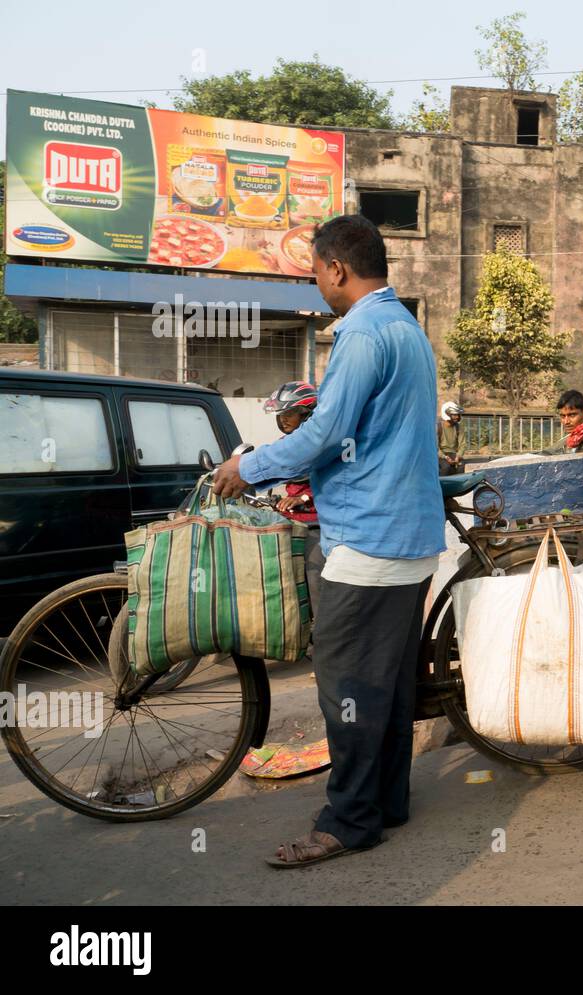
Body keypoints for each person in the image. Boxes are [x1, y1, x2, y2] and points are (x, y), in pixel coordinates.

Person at [212, 214, 444, 867]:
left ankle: (348, 819)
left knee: (347, 684)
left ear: (337, 269)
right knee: (389, 683)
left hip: (370, 537)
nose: (316, 282)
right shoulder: (406, 328)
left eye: (315, 270)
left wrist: (247, 465)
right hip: (408, 536)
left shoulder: (366, 334)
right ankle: (385, 802)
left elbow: (322, 433)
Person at [262, 380, 325, 614]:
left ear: (306, 414)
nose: (283, 419)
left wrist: (304, 499)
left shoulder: (322, 445)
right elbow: (266, 464)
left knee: (314, 574)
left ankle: (322, 637)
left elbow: (334, 483)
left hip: (317, 525)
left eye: (289, 413)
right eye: (280, 415)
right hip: (291, 523)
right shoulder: (285, 445)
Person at [438, 401, 466, 475]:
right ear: (446, 414)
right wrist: (445, 457)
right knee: (446, 467)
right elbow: (434, 447)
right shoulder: (438, 427)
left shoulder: (459, 427)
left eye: (458, 415)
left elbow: (462, 444)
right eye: (454, 415)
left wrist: (458, 456)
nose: (457, 417)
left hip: (454, 453)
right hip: (440, 454)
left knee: (461, 465)